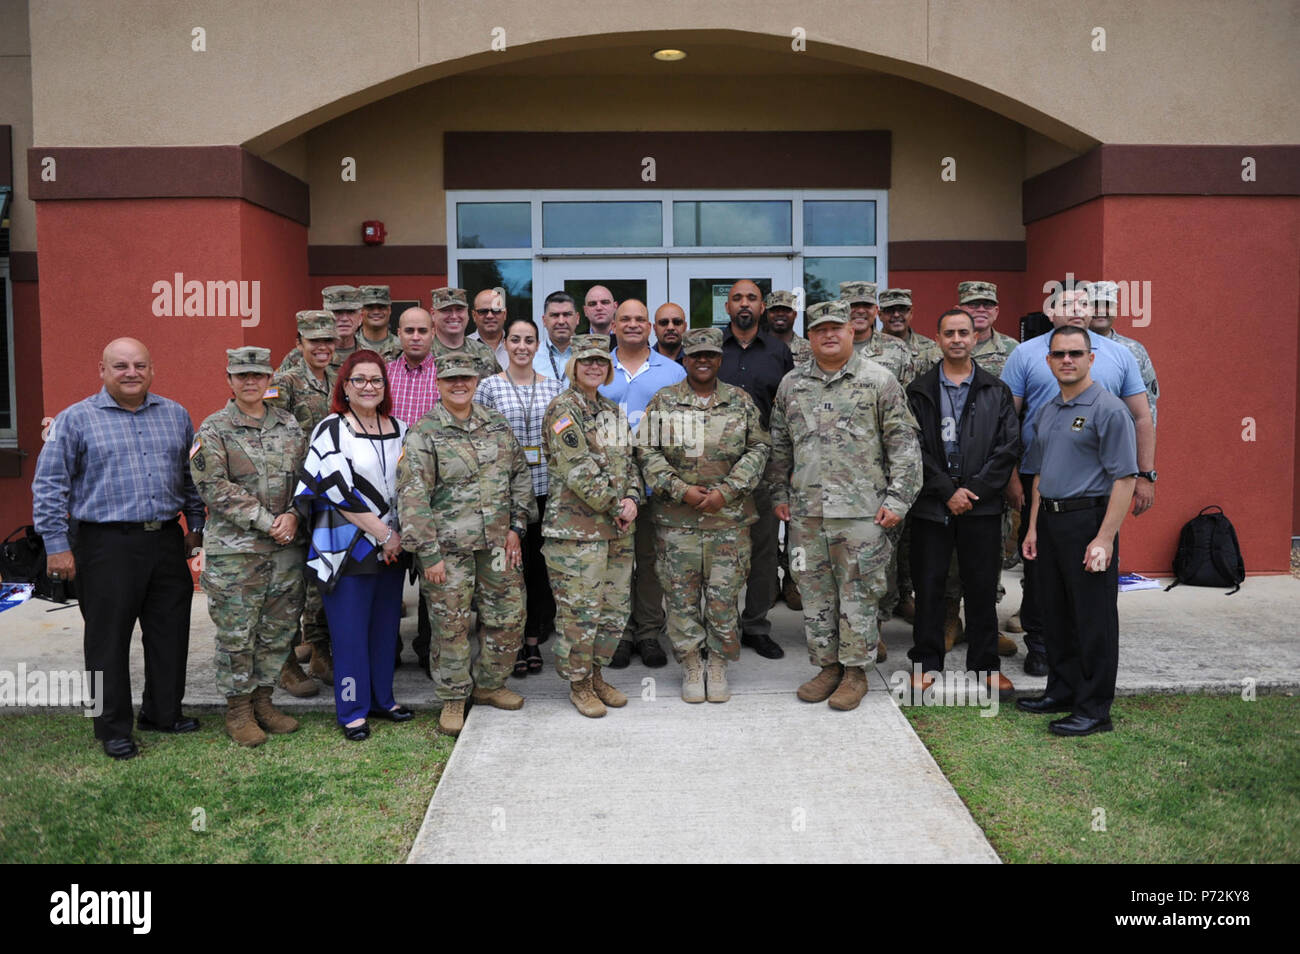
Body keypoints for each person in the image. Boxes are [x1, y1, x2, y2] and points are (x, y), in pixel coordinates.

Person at [32, 337, 205, 760]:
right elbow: (49, 486)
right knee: (105, 641)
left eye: (139, 365)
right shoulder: (74, 420)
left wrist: (196, 525)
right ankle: (109, 727)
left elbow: (190, 478)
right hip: (104, 544)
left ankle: (163, 713)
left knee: (170, 631)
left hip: (165, 538)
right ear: (102, 370)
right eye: (121, 366)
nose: (131, 373)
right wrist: (56, 546)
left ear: (152, 370)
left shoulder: (176, 415)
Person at [766, 300, 922, 711]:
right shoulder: (791, 385)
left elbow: (904, 446)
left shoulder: (879, 380)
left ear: (852, 331)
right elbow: (779, 445)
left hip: (862, 513)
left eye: (836, 327)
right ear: (810, 337)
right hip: (807, 513)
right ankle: (827, 667)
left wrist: (898, 499)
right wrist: (779, 494)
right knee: (815, 595)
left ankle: (855, 672)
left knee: (859, 594)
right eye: (820, 330)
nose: (829, 335)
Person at [1001, 279, 1155, 677]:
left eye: (1083, 304)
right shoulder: (1028, 359)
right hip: (1042, 481)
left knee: (1091, 575)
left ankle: (1088, 673)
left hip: (1098, 487)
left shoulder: (1119, 360)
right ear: (1049, 313)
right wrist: (1012, 477)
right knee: (1042, 573)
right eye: (1066, 304)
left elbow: (1142, 417)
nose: (1076, 310)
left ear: (1090, 358)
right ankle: (1043, 649)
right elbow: (1009, 420)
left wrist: (1145, 475)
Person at [398, 353, 537, 736]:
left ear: (476, 382)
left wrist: (517, 526)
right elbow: (413, 496)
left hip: (499, 545)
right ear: (438, 383)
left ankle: (490, 684)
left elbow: (519, 475)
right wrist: (428, 554)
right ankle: (454, 696)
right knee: (451, 626)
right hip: (448, 551)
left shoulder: (496, 424)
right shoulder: (424, 432)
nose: (459, 385)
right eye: (451, 379)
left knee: (509, 617)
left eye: (466, 378)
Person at [637, 328, 770, 703]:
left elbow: (759, 448)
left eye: (710, 355)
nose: (703, 361)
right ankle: (692, 663)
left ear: (720, 360)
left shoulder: (740, 401)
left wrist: (727, 491)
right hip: (676, 521)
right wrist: (680, 489)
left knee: (723, 598)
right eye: (696, 355)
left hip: (728, 520)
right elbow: (646, 450)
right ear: (685, 359)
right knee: (681, 598)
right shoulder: (664, 401)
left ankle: (719, 663)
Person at [1018, 326, 1138, 736]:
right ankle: (1062, 691)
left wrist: (1104, 538)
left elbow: (1125, 478)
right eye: (1059, 354)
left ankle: (1094, 709)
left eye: (1075, 353)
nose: (1066, 360)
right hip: (1050, 522)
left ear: (1091, 359)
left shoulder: (1109, 410)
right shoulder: (1048, 410)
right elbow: (1040, 474)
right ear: (1048, 361)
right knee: (1056, 614)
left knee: (1092, 618)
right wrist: (1033, 528)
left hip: (1088, 522)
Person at [192, 347, 307, 746]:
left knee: (278, 631)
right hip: (237, 553)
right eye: (242, 375)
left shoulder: (289, 426)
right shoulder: (214, 429)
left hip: (286, 550)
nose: (251, 381)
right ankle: (238, 710)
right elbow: (212, 486)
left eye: (258, 374)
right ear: (229, 380)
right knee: (237, 634)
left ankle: (264, 701)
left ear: (270, 378)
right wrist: (265, 521)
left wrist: (294, 514)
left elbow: (308, 478)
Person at [294, 350, 411, 741]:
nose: (368, 387)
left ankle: (382, 700)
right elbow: (339, 492)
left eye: (376, 380)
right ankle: (352, 710)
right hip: (348, 549)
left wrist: (395, 538)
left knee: (384, 630)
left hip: (392, 549)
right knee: (349, 635)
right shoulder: (331, 429)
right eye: (359, 379)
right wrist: (383, 534)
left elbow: (410, 486)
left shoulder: (401, 428)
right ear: (345, 386)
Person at [905, 311, 1020, 698]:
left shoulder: (995, 390)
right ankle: (925, 663)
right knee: (929, 586)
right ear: (937, 338)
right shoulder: (919, 390)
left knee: (982, 587)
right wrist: (945, 490)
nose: (957, 339)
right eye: (949, 333)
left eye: (963, 333)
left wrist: (974, 490)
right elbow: (911, 447)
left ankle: (986, 665)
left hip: (981, 507)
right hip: (932, 506)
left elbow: (1007, 447)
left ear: (975, 338)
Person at [541, 334, 641, 718]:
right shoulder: (563, 409)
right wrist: (616, 505)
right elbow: (577, 469)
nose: (595, 367)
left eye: (601, 361)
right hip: (576, 533)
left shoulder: (612, 411)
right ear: (574, 366)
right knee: (579, 612)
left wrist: (632, 499)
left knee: (612, 610)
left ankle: (597, 674)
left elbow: (630, 462)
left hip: (617, 530)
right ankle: (579, 684)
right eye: (587, 361)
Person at [475, 316, 565, 675]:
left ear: (537, 345)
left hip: (545, 492)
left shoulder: (555, 388)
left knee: (540, 572)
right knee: (507, 572)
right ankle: (508, 644)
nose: (522, 347)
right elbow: (479, 440)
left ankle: (532, 640)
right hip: (504, 496)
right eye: (515, 340)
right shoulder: (488, 387)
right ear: (506, 344)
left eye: (529, 340)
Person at [599, 298, 686, 669]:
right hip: (610, 487)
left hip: (656, 484)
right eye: (625, 319)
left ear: (650, 327)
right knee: (615, 562)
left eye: (640, 319)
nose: (633, 324)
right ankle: (618, 634)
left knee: (651, 562)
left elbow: (684, 431)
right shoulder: (597, 368)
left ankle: (649, 632)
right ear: (613, 326)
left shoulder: (673, 372)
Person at [718, 279, 794, 660]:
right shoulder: (712, 348)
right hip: (717, 469)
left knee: (763, 551)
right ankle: (722, 625)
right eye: (737, 298)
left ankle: (756, 626)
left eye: (752, 298)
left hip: (764, 467)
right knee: (721, 552)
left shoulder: (779, 352)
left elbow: (788, 411)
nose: (744, 304)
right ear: (727, 307)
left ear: (762, 307)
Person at [267, 310, 338, 696]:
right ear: (299, 343)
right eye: (314, 341)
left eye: (328, 340)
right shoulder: (285, 381)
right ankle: (285, 663)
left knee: (322, 576)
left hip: (329, 495)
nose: (322, 347)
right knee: (290, 582)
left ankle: (320, 651)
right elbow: (271, 433)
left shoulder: (337, 379)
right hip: (295, 493)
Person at [385, 306, 441, 673]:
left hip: (435, 491)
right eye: (409, 331)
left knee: (432, 580)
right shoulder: (383, 375)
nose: (416, 337)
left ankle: (427, 648)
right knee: (388, 573)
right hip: (387, 489)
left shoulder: (446, 376)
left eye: (422, 330)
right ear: (399, 334)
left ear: (433, 332)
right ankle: (387, 648)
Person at [1089, 280, 1159, 428]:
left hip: (1122, 436)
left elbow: (1149, 403)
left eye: (1107, 304)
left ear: (1116, 309)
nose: (1101, 310)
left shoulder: (1134, 350)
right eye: (1095, 304)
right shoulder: (1071, 349)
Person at [839, 281, 916, 386]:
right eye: (854, 305)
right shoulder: (828, 347)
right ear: (842, 310)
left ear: (875, 311)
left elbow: (907, 393)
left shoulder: (899, 349)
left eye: (867, 305)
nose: (861, 310)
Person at [279, 285, 362, 373]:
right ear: (325, 316)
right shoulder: (298, 356)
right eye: (337, 312)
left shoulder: (369, 354)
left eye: (351, 312)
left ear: (360, 318)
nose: (344, 319)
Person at [429, 287, 500, 379]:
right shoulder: (423, 353)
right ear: (433, 314)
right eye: (446, 310)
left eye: (459, 309)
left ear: (467, 313)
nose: (454, 316)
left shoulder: (485, 353)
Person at [880, 288, 942, 374]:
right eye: (890, 310)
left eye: (902, 309)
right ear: (880, 315)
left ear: (911, 313)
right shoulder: (868, 349)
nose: (896, 315)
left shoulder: (930, 349)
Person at [534, 291, 578, 385]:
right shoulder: (532, 356)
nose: (561, 321)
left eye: (567, 315)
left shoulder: (590, 355)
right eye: (554, 315)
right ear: (544, 320)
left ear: (577, 318)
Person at [357, 285, 403, 362]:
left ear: (389, 310)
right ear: (361, 311)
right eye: (370, 307)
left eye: (381, 307)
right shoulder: (350, 346)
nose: (376, 312)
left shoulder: (402, 348)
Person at [765, 289, 811, 364]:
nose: (780, 314)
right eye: (775, 310)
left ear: (795, 315)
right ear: (767, 314)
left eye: (786, 310)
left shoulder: (810, 350)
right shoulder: (755, 347)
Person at [469, 287, 510, 368]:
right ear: (474, 316)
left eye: (496, 310)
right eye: (483, 311)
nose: (489, 316)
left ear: (504, 314)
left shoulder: (518, 348)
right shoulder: (462, 348)